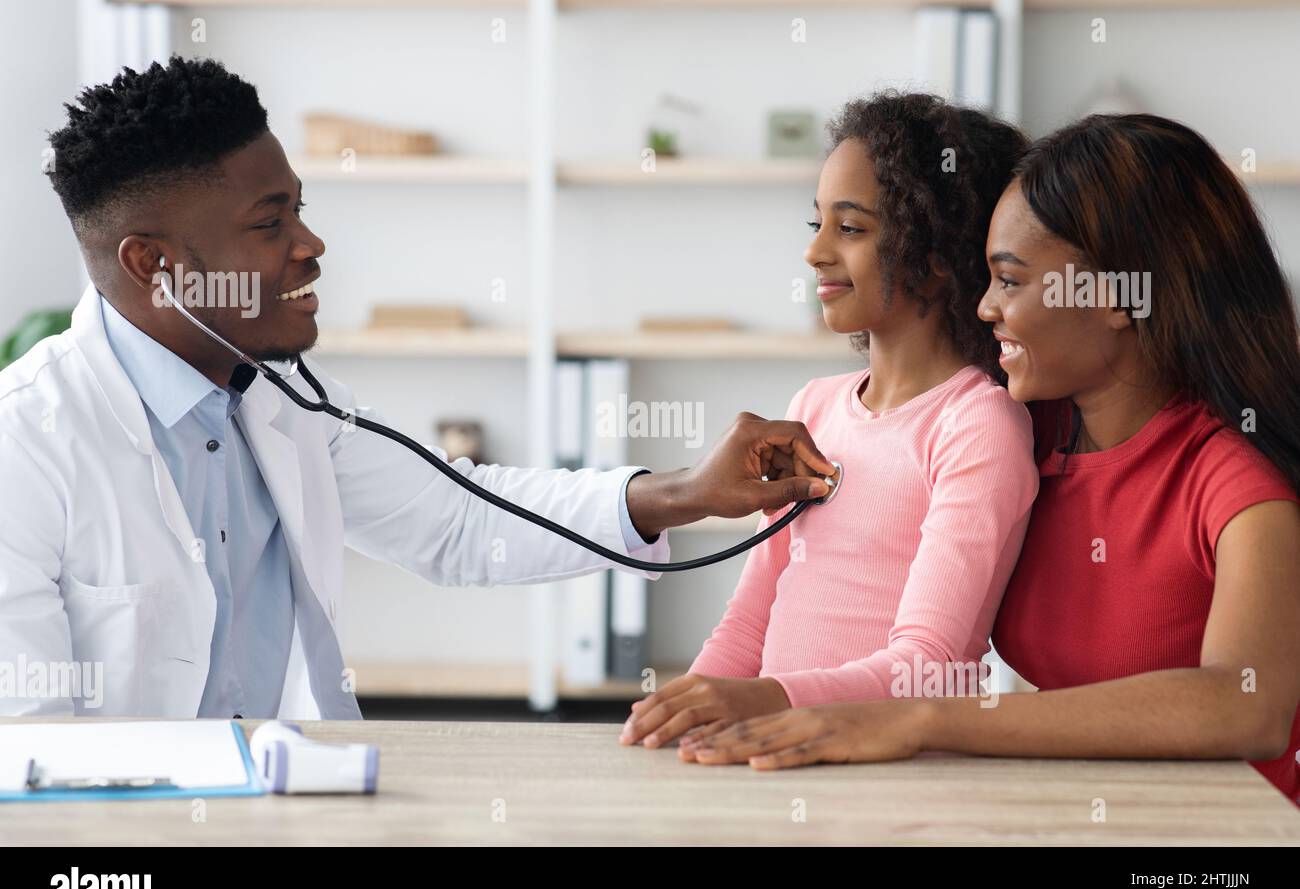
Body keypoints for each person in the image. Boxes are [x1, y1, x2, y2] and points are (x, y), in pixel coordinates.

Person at [0, 57, 835, 719]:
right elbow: (27, 753)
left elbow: (463, 521)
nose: (311, 244)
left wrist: (689, 491)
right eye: (270, 223)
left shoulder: (285, 400)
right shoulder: (26, 443)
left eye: (299, 209)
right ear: (154, 265)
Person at [681, 113, 1300, 807]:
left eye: (1009, 281)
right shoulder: (1037, 442)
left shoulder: (1242, 486)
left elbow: (1247, 706)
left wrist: (918, 715)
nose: (984, 306)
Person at [622, 93, 1037, 748]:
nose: (815, 252)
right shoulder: (812, 409)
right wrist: (673, 723)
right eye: (816, 224)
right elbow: (746, 628)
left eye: (850, 229)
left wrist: (760, 699)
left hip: (895, 772)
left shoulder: (976, 426)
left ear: (937, 259)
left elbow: (924, 668)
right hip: (778, 750)